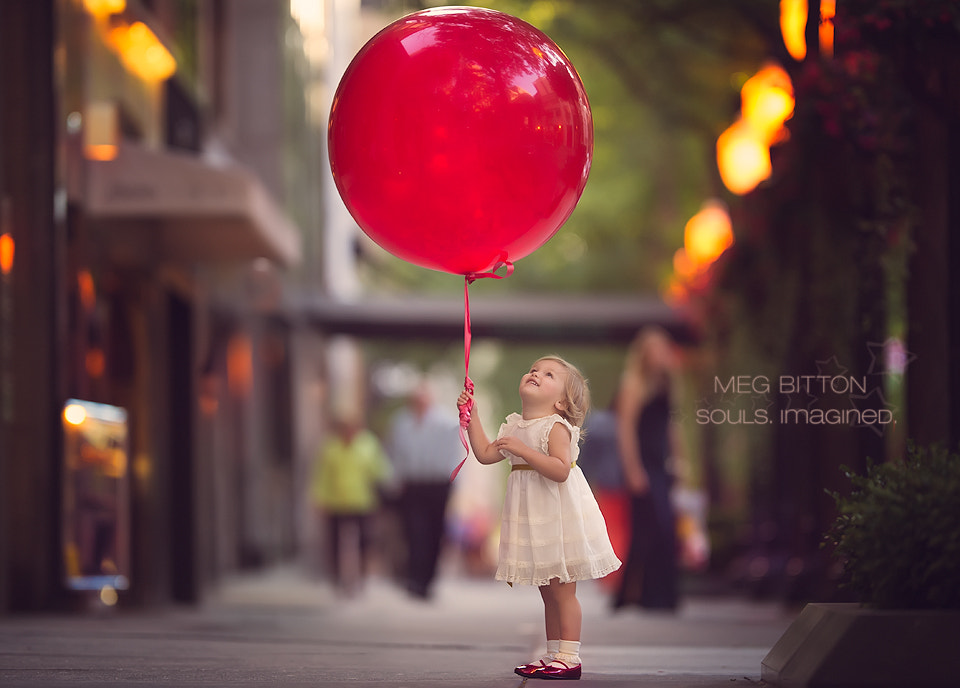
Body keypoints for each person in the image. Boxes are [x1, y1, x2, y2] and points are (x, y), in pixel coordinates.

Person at [458, 355, 621, 681]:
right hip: (535, 518)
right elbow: (485, 453)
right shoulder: (515, 425)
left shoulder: (555, 427)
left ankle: (570, 657)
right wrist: (472, 415)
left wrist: (524, 451)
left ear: (561, 401)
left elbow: (561, 471)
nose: (535, 373)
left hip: (558, 518)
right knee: (547, 590)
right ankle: (553, 654)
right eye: (533, 369)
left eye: (548, 374)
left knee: (563, 591)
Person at [614, 327, 684, 611]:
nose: (660, 354)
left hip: (661, 464)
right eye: (654, 349)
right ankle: (641, 596)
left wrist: (680, 460)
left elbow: (672, 426)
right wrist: (632, 469)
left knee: (662, 530)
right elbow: (625, 429)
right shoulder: (632, 384)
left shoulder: (667, 383)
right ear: (643, 354)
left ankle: (657, 597)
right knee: (651, 530)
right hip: (642, 465)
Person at [386, 381, 462, 599]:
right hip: (411, 483)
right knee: (413, 532)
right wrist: (395, 479)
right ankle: (414, 579)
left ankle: (427, 581)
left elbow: (452, 455)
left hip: (437, 483)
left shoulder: (445, 422)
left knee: (434, 534)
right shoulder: (401, 421)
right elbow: (395, 453)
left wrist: (454, 483)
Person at [310, 412, 391, 596]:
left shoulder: (368, 445)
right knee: (335, 542)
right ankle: (337, 578)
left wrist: (387, 484)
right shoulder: (330, 447)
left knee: (364, 541)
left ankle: (361, 576)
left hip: (362, 501)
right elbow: (322, 475)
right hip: (336, 502)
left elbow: (379, 468)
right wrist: (319, 497)